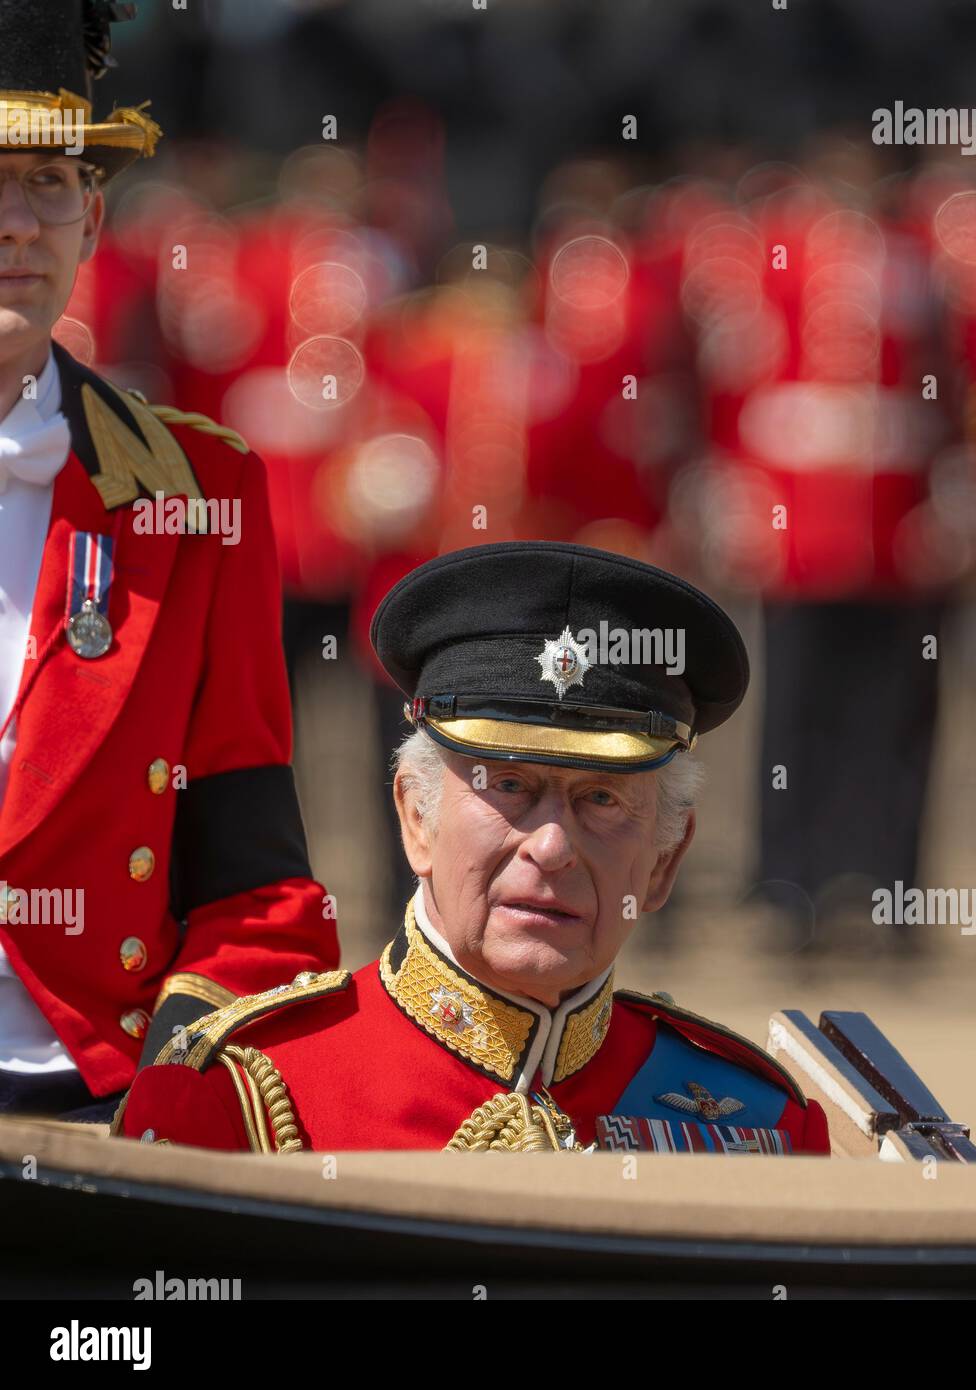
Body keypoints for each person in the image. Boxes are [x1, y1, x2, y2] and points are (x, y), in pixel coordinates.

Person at [115, 542, 832, 1155]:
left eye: (602, 800)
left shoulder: (762, 1123)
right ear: (415, 818)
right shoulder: (236, 1098)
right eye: (509, 786)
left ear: (665, 861)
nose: (551, 847)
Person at [0, 0, 337, 1120]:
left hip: (93, 1092)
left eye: (49, 183)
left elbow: (251, 875)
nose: (18, 223)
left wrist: (177, 1081)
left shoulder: (198, 493)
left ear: (93, 223)